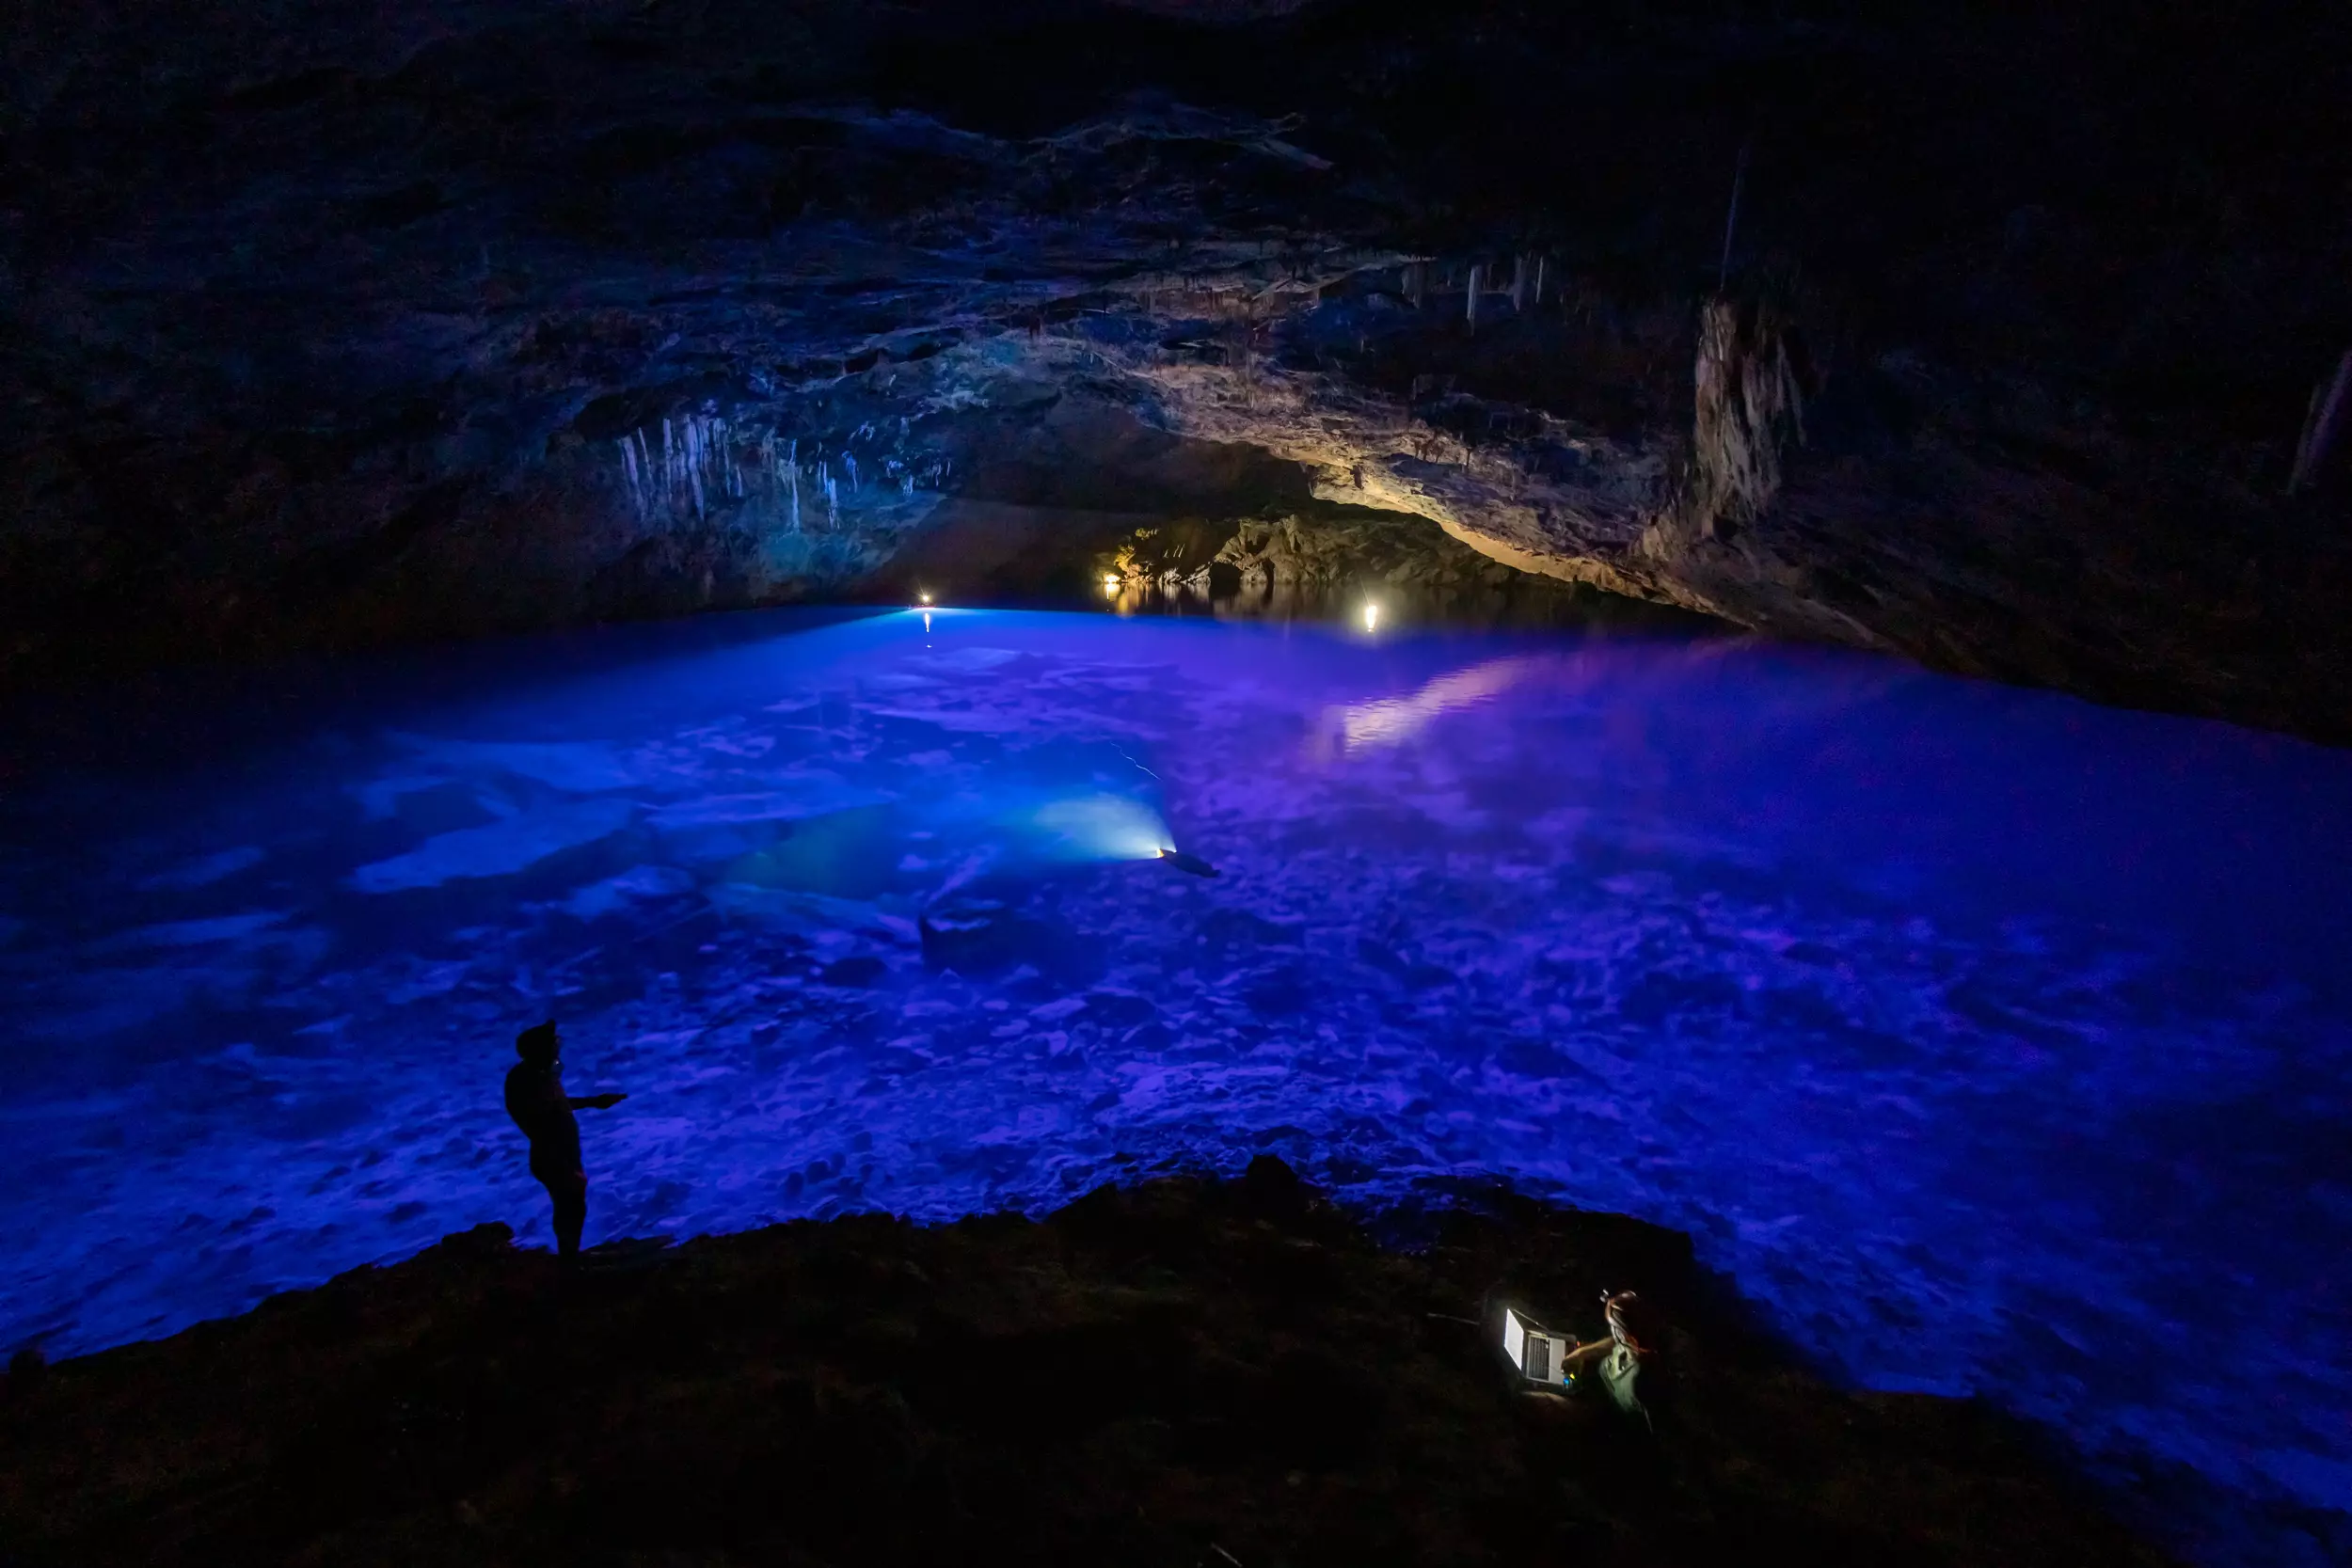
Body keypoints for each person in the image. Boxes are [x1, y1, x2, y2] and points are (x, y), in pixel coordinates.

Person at [503, 1020, 626, 1258]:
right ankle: (569, 1260)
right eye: (553, 1045)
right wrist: (565, 1165)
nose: (558, 1048)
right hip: (553, 1157)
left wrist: (594, 1102)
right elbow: (541, 1123)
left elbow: (557, 1106)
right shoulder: (528, 1081)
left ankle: (570, 1256)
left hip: (560, 1156)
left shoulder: (540, 1075)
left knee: (572, 1206)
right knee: (569, 1207)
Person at [1561, 1290, 1661, 1422]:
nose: (1614, 1333)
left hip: (1602, 1414)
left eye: (1615, 1330)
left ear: (1629, 1339)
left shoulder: (1642, 1383)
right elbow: (1615, 1342)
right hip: (1596, 1381)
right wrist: (1581, 1353)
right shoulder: (1636, 1340)